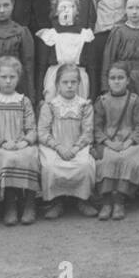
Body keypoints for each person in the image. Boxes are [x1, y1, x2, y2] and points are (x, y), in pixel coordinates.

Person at [0, 57, 40, 226]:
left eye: (12, 77)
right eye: (3, 77)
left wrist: (25, 141)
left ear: (18, 78)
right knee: (8, 159)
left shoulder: (24, 101)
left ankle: (29, 202)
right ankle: (9, 203)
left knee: (30, 156)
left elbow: (32, 129)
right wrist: (2, 143)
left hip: (20, 143)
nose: (8, 81)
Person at [37, 64, 99, 219]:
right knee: (50, 166)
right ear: (57, 84)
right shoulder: (50, 105)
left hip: (77, 146)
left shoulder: (84, 105)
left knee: (84, 165)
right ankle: (56, 201)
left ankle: (82, 199)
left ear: (79, 83)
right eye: (65, 82)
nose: (70, 86)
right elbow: (43, 132)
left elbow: (88, 131)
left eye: (73, 82)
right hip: (55, 146)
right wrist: (58, 147)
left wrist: (76, 148)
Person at [93, 62, 139, 220]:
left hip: (130, 141)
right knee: (107, 159)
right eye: (113, 78)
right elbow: (96, 127)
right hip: (108, 141)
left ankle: (119, 200)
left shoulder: (135, 101)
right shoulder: (102, 101)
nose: (117, 81)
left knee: (127, 159)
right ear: (108, 81)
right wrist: (109, 143)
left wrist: (127, 143)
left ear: (128, 80)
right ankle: (106, 200)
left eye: (121, 78)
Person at [87, 0, 139, 98]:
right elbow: (91, 16)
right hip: (102, 36)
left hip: (123, 37)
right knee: (101, 71)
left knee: (121, 71)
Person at [36, 0, 95, 99]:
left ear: (77, 11)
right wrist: (40, 96)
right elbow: (42, 66)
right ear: (56, 11)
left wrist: (92, 96)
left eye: (71, 7)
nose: (67, 10)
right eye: (63, 7)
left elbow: (91, 67)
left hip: (78, 80)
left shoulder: (85, 35)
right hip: (54, 79)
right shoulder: (50, 35)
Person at [101, 0, 139, 98]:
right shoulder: (118, 32)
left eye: (138, 8)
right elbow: (108, 59)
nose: (134, 12)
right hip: (121, 78)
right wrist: (106, 86)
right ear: (125, 10)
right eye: (130, 8)